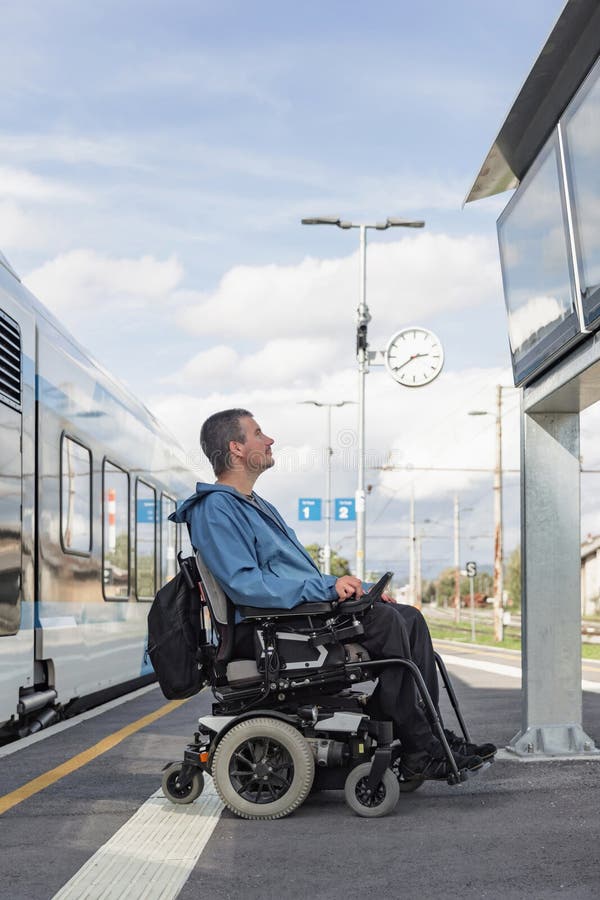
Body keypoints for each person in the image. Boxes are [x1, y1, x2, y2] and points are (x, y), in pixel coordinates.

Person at [172, 408, 496, 780]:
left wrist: (354, 593)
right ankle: (420, 746)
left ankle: (429, 736)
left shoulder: (257, 505)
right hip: (265, 631)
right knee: (387, 623)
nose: (270, 439)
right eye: (259, 433)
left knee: (409, 618)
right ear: (236, 448)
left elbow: (293, 575)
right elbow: (246, 584)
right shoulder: (216, 509)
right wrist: (328, 587)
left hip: (291, 619)